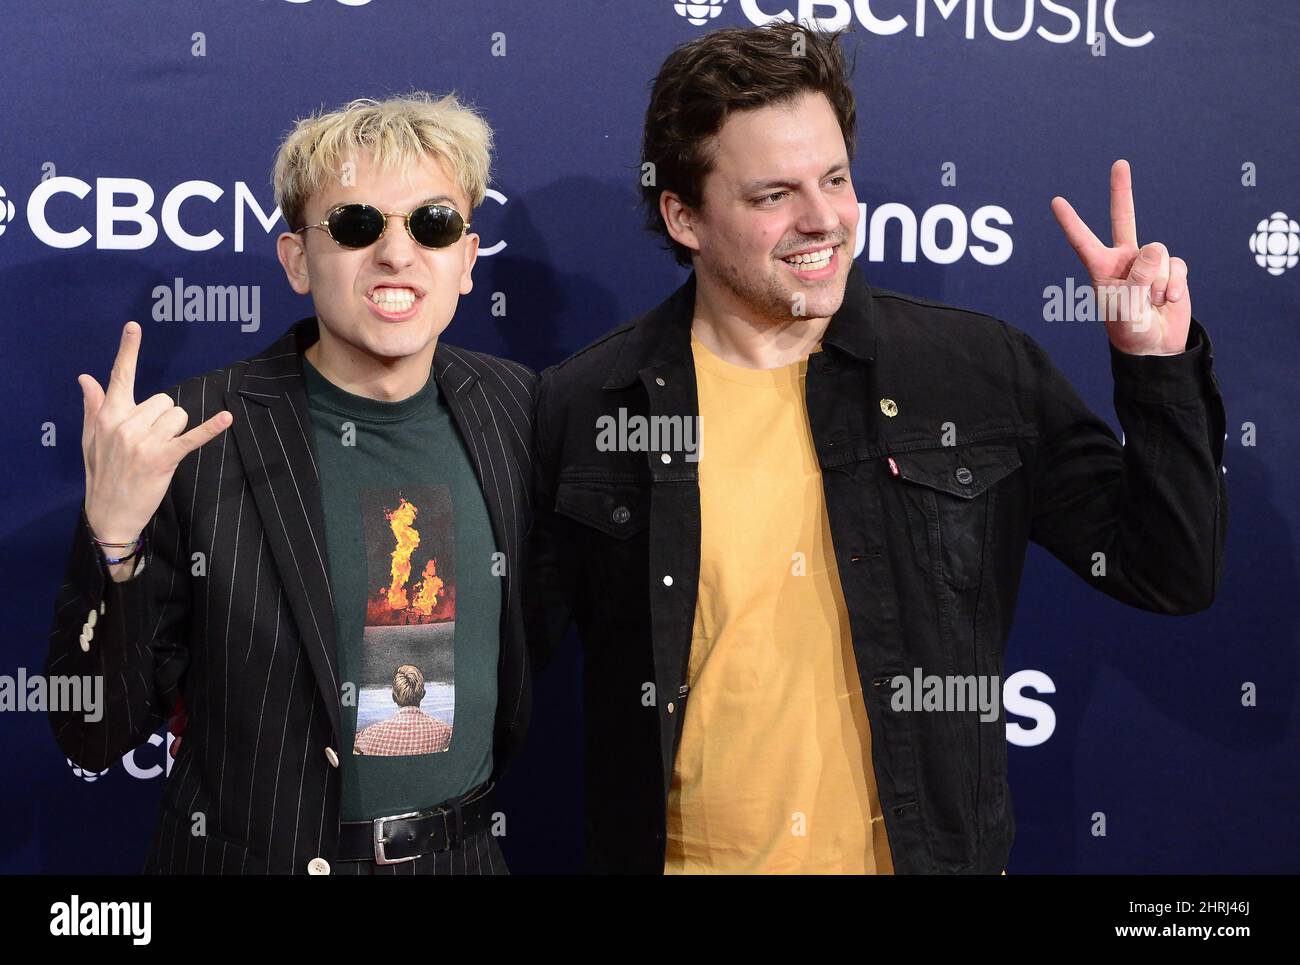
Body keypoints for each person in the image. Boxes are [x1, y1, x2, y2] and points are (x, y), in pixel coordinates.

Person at [525, 23, 1226, 874]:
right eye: (772, 195)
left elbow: (1170, 571)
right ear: (685, 216)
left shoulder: (977, 370)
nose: (822, 219)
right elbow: (502, 682)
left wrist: (1155, 367)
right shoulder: (588, 405)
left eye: (835, 178)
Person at [46, 93, 537, 875]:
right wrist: (114, 540)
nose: (397, 254)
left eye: (432, 224)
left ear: (467, 261)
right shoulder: (193, 433)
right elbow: (93, 731)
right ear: (298, 260)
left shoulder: (516, 408)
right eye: (355, 225)